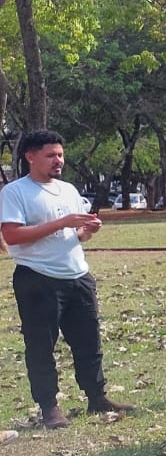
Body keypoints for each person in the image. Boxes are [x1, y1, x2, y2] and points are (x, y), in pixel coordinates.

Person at [1, 129, 129, 429]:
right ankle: (50, 408)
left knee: (88, 341)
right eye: (50, 155)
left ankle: (97, 397)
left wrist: (87, 230)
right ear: (30, 157)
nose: (58, 160)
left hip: (77, 276)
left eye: (60, 154)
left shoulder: (68, 190)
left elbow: (75, 234)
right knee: (41, 345)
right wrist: (63, 222)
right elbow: (12, 234)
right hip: (38, 278)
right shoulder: (16, 192)